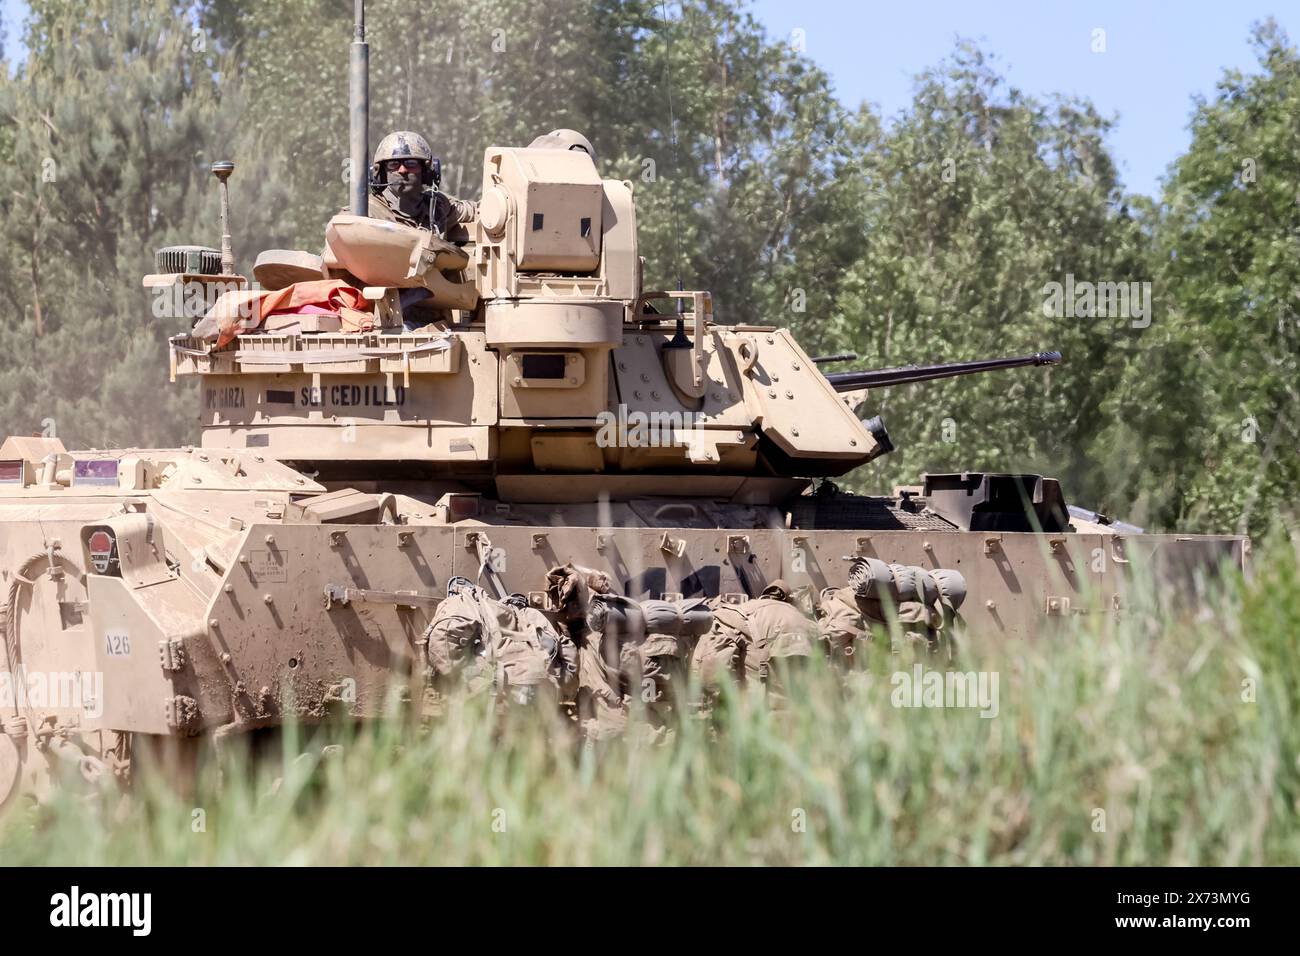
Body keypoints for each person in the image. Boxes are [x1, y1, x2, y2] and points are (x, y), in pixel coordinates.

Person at [368, 131, 477, 235]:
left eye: (411, 163)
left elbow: (476, 211)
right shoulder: (367, 212)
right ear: (381, 174)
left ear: (426, 172)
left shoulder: (437, 206)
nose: (402, 170)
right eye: (393, 164)